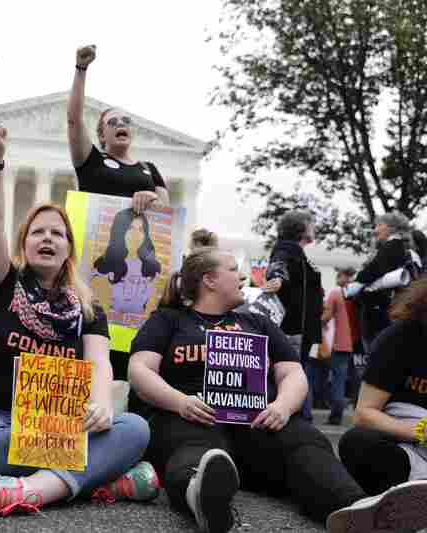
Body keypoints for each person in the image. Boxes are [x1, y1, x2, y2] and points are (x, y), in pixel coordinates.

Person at [128, 247, 427, 533]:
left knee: (304, 441)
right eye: (233, 270)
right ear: (209, 280)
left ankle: (355, 509)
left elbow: (292, 372)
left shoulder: (257, 323)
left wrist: (282, 406)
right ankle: (201, 496)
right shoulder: (168, 320)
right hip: (192, 419)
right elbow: (140, 370)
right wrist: (180, 402)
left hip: (258, 424)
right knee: (194, 450)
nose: (242, 276)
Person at [0, 127, 155, 516]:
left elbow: (99, 363)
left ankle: (28, 490)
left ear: (69, 249)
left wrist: (100, 401)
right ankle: (99, 480)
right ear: (23, 244)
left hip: (60, 429)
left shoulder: (89, 308)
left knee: (135, 429)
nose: (47, 238)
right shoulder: (3, 284)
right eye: (37, 232)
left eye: (57, 233)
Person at [67, 45, 169, 381]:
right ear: (101, 134)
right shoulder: (92, 162)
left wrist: (151, 199)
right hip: (95, 271)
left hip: (139, 279)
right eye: (112, 122)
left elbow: (167, 220)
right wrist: (81, 70)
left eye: (126, 121)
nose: (120, 125)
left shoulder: (149, 169)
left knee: (131, 356)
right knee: (91, 349)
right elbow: (73, 119)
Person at [339, 279, 427, 496]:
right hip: (406, 443)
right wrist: (419, 431)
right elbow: (364, 414)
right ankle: (405, 496)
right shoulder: (400, 338)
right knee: (356, 442)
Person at [264, 210, 323, 422]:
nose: (314, 228)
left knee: (298, 373)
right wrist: (277, 278)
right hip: (294, 328)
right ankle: (300, 419)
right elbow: (277, 266)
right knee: (296, 374)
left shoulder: (297, 253)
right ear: (301, 229)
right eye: (311, 225)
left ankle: (300, 417)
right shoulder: (286, 250)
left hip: (300, 327)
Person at [356, 211, 416, 349]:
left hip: (379, 310)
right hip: (390, 307)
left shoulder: (391, 246)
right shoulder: (403, 247)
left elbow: (371, 271)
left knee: (375, 349)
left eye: (379, 225)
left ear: (391, 227)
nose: (375, 229)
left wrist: (358, 279)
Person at [93, 208, 161, 314]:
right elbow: (101, 308)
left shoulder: (153, 269)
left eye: (141, 230)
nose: (136, 234)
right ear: (120, 231)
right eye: (130, 228)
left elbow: (151, 308)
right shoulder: (104, 267)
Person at [321, 267, 356, 425]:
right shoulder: (353, 294)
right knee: (343, 378)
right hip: (349, 343)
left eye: (339, 275)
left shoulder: (335, 293)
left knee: (336, 380)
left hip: (336, 343)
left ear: (343, 276)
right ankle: (340, 413)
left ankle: (335, 415)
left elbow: (326, 316)